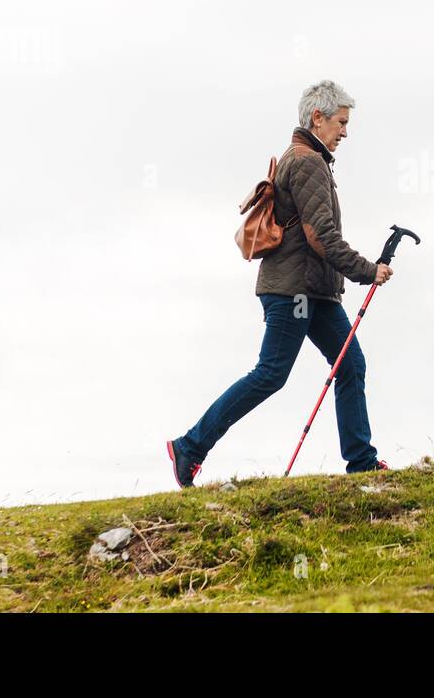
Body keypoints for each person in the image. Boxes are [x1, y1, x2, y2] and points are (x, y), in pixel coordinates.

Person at [166, 80, 395, 487]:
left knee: (350, 364)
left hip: (313, 291)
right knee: (271, 373)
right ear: (317, 118)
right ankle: (190, 446)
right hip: (294, 292)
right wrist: (365, 270)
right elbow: (320, 235)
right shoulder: (307, 162)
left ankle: (361, 461)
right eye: (341, 123)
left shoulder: (307, 158)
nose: (345, 132)